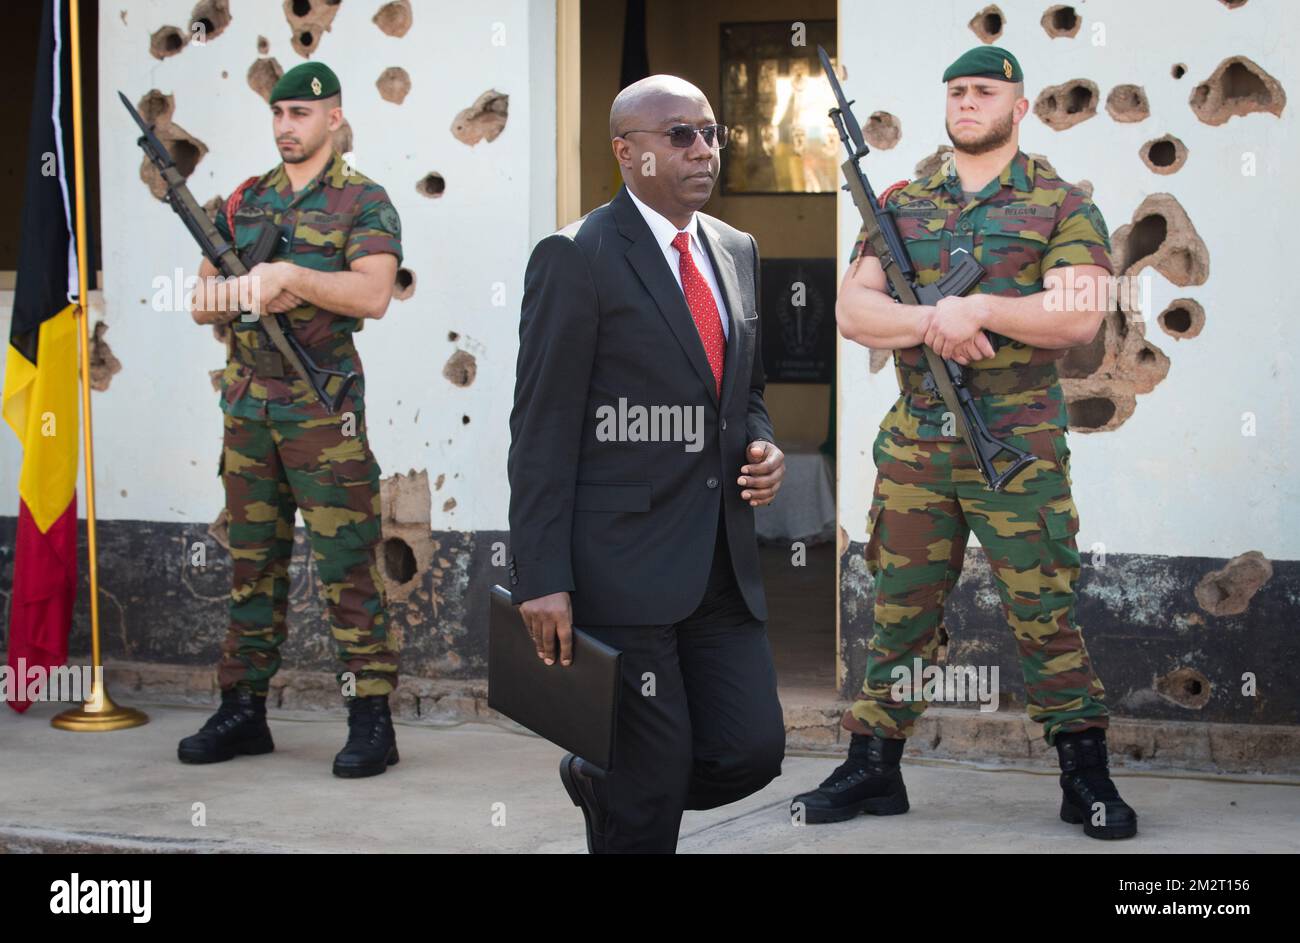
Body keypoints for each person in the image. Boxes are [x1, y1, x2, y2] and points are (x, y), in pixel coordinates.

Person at [791, 47, 1138, 839]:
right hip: (916, 444)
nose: (967, 101)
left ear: (1020, 108)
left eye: (985, 91)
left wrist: (978, 308)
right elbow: (853, 310)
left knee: (1043, 609)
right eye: (956, 91)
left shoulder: (1062, 204)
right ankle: (875, 763)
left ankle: (1083, 771)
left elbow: (1078, 317)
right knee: (899, 609)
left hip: (1018, 445)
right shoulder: (903, 202)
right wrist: (930, 321)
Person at [508, 75, 788, 853]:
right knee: (651, 788)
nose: (704, 149)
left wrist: (760, 444)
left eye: (709, 132)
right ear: (627, 152)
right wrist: (542, 575)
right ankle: (629, 789)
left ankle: (608, 779)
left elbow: (746, 392)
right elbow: (541, 427)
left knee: (751, 750)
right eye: (680, 136)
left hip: (721, 566)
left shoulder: (736, 249)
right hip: (620, 567)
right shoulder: (577, 256)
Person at [178, 62, 405, 779]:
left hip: (323, 416)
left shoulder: (364, 202)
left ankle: (370, 717)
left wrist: (288, 279)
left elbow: (372, 295)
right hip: (247, 410)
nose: (285, 127)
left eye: (300, 116)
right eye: (277, 114)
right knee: (254, 564)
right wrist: (244, 287)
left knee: (346, 567)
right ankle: (243, 708)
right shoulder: (246, 200)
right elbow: (201, 302)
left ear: (332, 119)